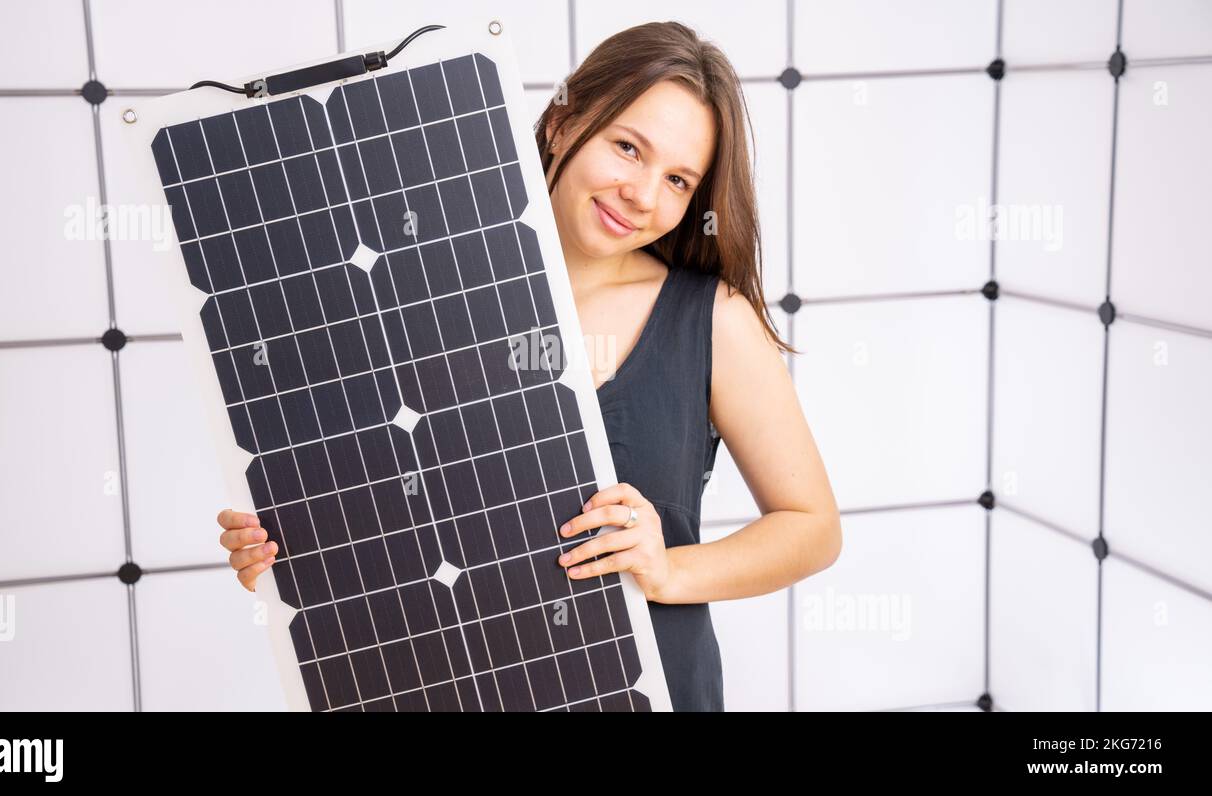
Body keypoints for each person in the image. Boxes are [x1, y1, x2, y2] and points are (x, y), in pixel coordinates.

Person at [218, 21, 841, 711]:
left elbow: (811, 526)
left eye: (677, 180)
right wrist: (286, 551)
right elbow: (378, 501)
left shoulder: (712, 319)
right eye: (627, 147)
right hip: (440, 683)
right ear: (564, 123)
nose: (641, 193)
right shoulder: (417, 289)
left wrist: (667, 570)